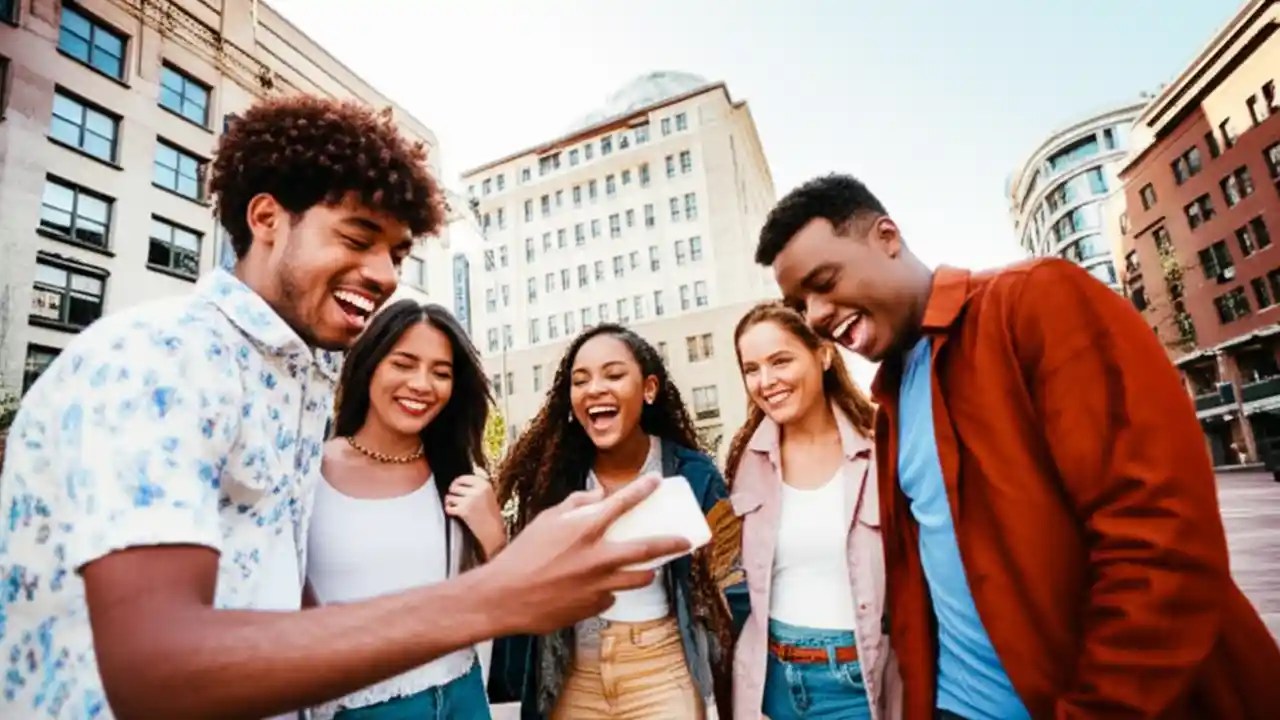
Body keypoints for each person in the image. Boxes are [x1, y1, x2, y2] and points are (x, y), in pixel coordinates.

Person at [0, 95, 688, 720]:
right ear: (266, 219)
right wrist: (498, 594)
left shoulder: (293, 385)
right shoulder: (161, 355)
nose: (387, 274)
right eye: (358, 239)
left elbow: (273, 590)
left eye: (396, 253)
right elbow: (154, 670)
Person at [754, 173, 1280, 720]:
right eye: (800, 303)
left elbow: (1162, 539)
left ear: (887, 237)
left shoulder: (1034, 300)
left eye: (823, 281)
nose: (814, 315)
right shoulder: (891, 400)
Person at [493, 324, 744, 720]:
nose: (594, 388)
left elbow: (735, 584)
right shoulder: (553, 484)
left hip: (661, 671)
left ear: (648, 389)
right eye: (581, 380)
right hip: (573, 675)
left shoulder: (693, 477)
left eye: (613, 374)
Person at [306, 300, 506, 719]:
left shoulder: (455, 475)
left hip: (461, 695)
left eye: (441, 372)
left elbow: (501, 604)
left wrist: (493, 537)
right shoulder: (309, 472)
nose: (422, 383)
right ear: (370, 365)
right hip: (360, 706)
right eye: (404, 363)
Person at [723, 300, 901, 720]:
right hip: (773, 686)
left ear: (823, 354)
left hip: (859, 684)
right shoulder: (745, 461)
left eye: (780, 361)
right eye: (751, 369)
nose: (766, 381)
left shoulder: (882, 447)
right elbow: (732, 585)